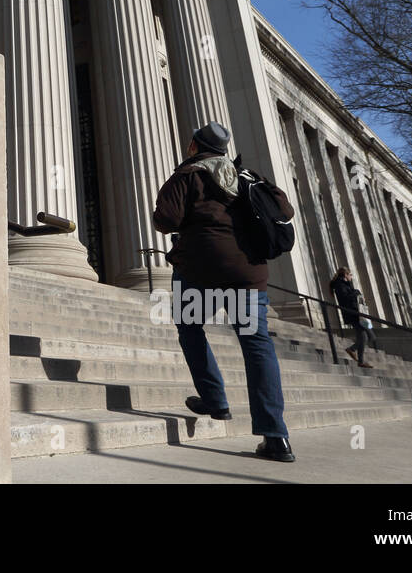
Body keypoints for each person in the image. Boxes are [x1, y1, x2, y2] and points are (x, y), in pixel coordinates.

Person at [153, 121, 297, 463]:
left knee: (190, 328)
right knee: (256, 343)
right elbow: (285, 210)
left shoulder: (188, 175)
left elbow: (166, 221)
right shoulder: (247, 175)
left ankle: (215, 400)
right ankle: (276, 436)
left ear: (193, 146)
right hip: (247, 272)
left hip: (199, 269)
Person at [330, 267, 374, 369]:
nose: (351, 276)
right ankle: (359, 360)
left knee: (371, 336)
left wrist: (358, 295)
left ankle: (353, 350)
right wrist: (356, 293)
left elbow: (352, 296)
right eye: (350, 274)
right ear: (345, 274)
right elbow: (345, 298)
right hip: (352, 314)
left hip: (357, 313)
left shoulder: (346, 284)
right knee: (364, 337)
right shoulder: (339, 285)